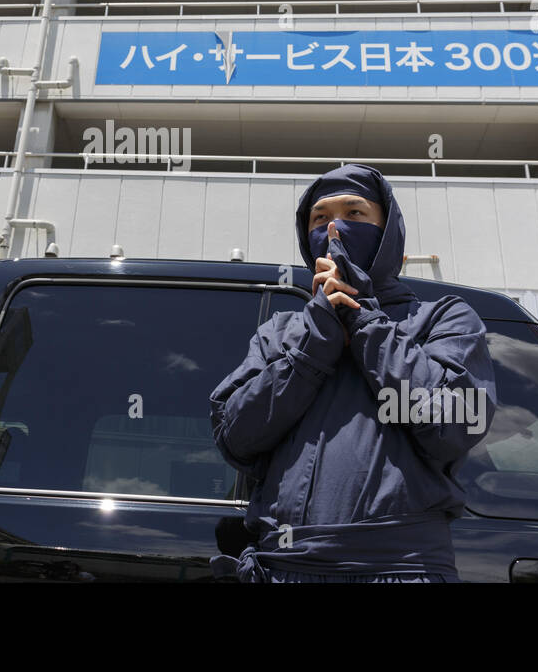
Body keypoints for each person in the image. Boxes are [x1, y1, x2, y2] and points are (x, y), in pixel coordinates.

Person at [208, 163, 498, 582]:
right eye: (320, 219)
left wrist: (366, 325)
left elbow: (451, 422)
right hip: (286, 568)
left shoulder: (443, 319)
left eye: (355, 213)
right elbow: (236, 437)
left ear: (388, 232)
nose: (335, 230)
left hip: (398, 570)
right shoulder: (280, 333)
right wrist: (311, 350)